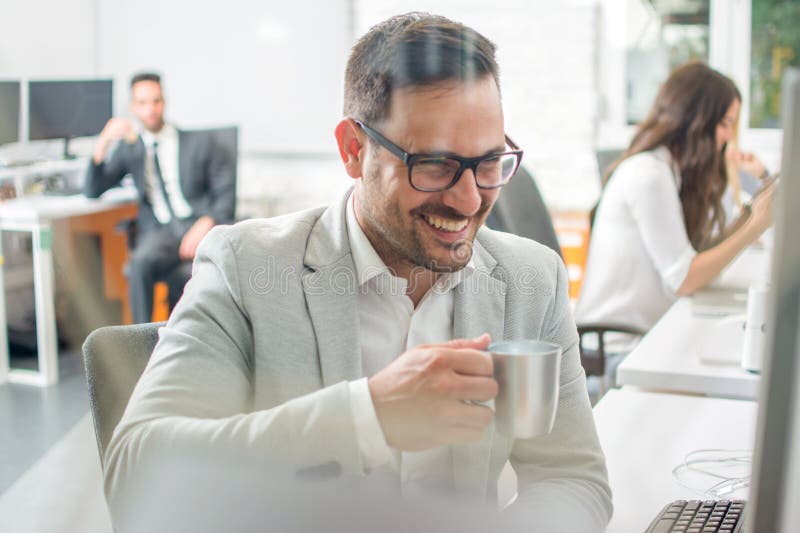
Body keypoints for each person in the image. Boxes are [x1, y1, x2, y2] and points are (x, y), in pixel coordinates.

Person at [103, 13, 612, 532]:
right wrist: (367, 416)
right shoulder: (245, 267)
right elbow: (140, 474)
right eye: (434, 164)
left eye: (488, 162)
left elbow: (570, 475)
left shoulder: (533, 278)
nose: (468, 199)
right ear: (353, 149)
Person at [576, 62, 776, 347]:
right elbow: (684, 279)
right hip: (621, 347)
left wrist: (751, 213)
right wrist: (755, 226)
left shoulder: (670, 172)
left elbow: (701, 254)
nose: (728, 136)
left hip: (648, 337)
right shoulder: (649, 174)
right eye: (724, 124)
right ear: (696, 121)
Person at [84, 72, 236, 323]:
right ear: (133, 107)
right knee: (138, 265)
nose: (151, 109)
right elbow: (93, 190)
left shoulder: (198, 143)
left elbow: (225, 193)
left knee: (217, 265)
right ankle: (140, 347)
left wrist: (207, 221)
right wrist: (103, 143)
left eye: (156, 101)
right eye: (143, 103)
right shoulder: (130, 148)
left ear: (164, 102)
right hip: (160, 232)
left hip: (196, 223)